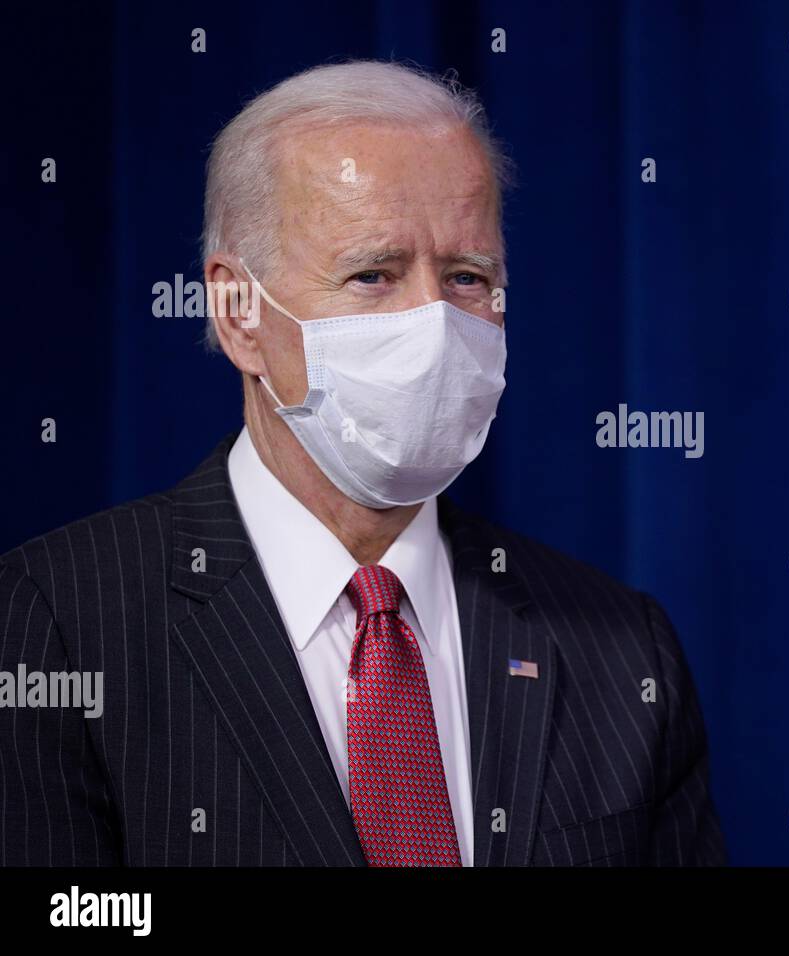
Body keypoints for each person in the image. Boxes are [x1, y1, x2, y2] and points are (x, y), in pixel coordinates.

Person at [0, 60, 725, 867]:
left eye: (466, 277)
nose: (434, 324)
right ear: (240, 313)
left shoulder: (624, 651)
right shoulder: (56, 627)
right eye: (372, 275)